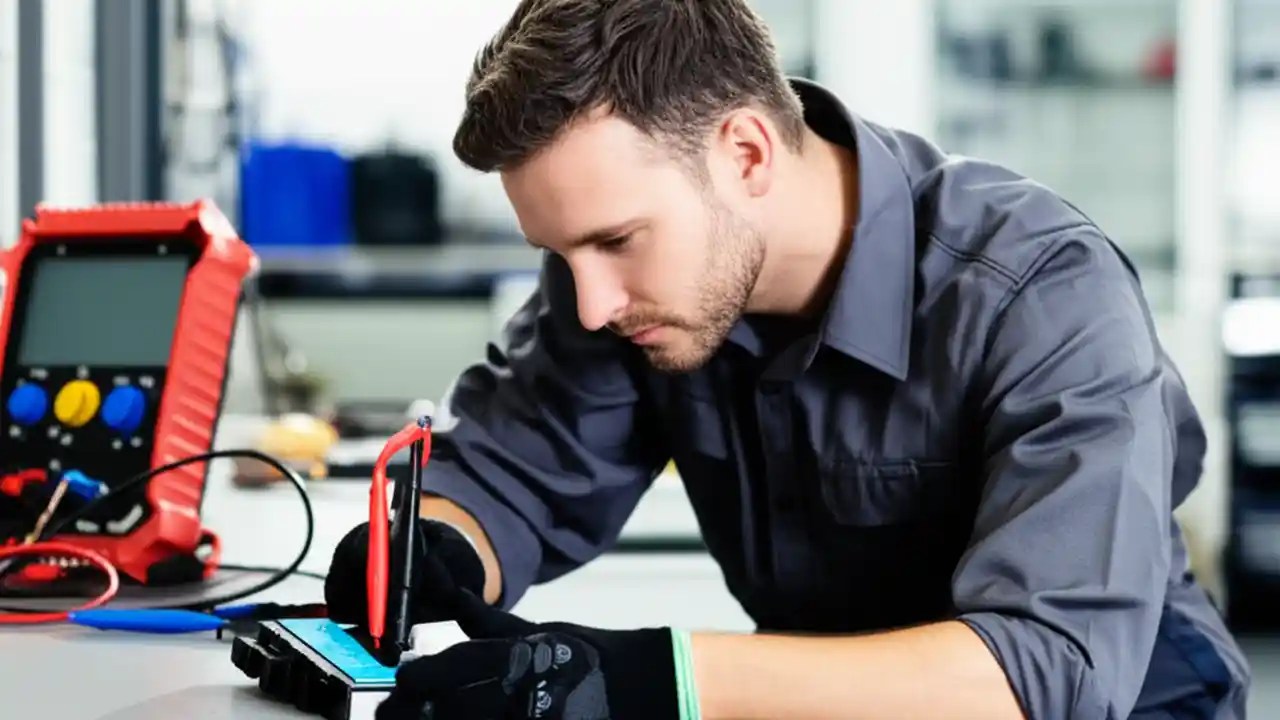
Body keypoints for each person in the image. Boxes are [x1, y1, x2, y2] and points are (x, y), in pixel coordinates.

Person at [323, 0, 1252, 717]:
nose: (593, 302)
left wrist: (659, 679)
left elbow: (1047, 676)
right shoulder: (625, 278)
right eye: (564, 256)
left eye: (615, 241)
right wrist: (438, 544)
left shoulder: (1040, 292)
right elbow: (515, 472)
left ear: (745, 153)